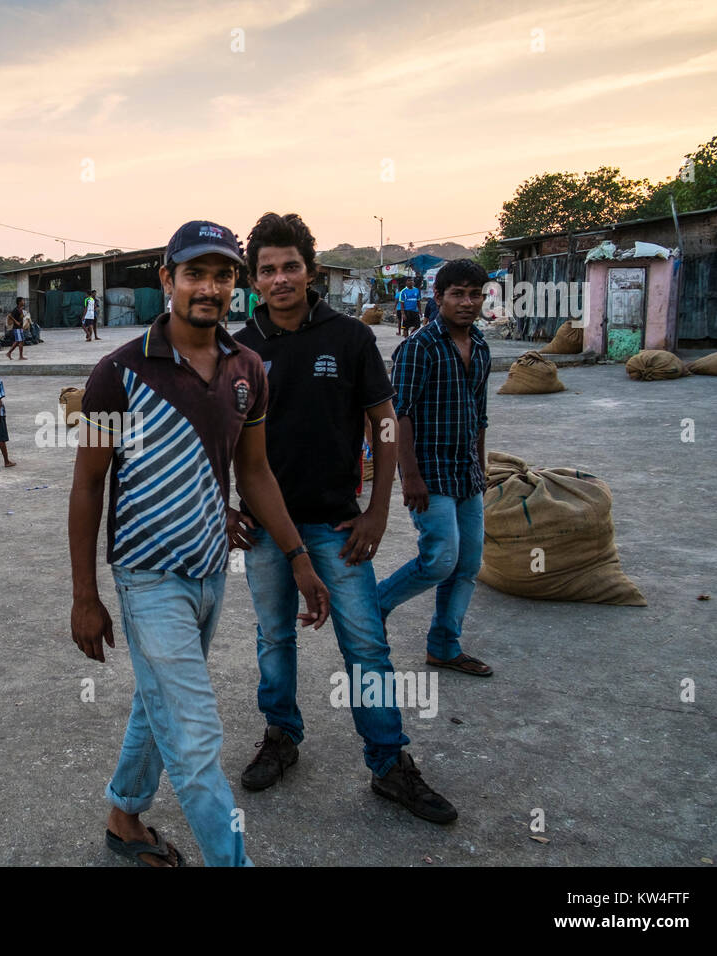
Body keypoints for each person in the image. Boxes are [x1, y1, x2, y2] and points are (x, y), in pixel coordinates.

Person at [69, 220, 331, 868]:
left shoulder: (248, 370)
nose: (208, 288)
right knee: (194, 735)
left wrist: (299, 558)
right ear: (168, 280)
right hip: (148, 579)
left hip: (212, 575)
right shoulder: (118, 373)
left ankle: (124, 816)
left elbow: (256, 473)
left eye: (221, 275)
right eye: (195, 273)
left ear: (234, 285)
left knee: (158, 701)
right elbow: (88, 486)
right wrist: (84, 596)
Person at [228, 212, 456, 823]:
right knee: (274, 638)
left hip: (337, 524)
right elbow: (213, 434)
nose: (280, 279)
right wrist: (221, 506)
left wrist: (378, 510)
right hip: (265, 530)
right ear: (253, 278)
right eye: (268, 270)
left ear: (312, 269)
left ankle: (388, 763)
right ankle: (281, 737)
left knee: (366, 645)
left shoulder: (350, 339)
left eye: (291, 266)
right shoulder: (239, 348)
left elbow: (383, 421)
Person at [378, 259, 493, 678]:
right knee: (440, 558)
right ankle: (376, 604)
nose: (467, 302)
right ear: (439, 297)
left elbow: (479, 415)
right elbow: (399, 414)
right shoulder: (419, 347)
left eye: (475, 294)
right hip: (430, 472)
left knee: (467, 565)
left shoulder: (480, 346)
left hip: (466, 474)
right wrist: (409, 476)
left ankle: (444, 645)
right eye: (458, 294)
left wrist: (481, 471)